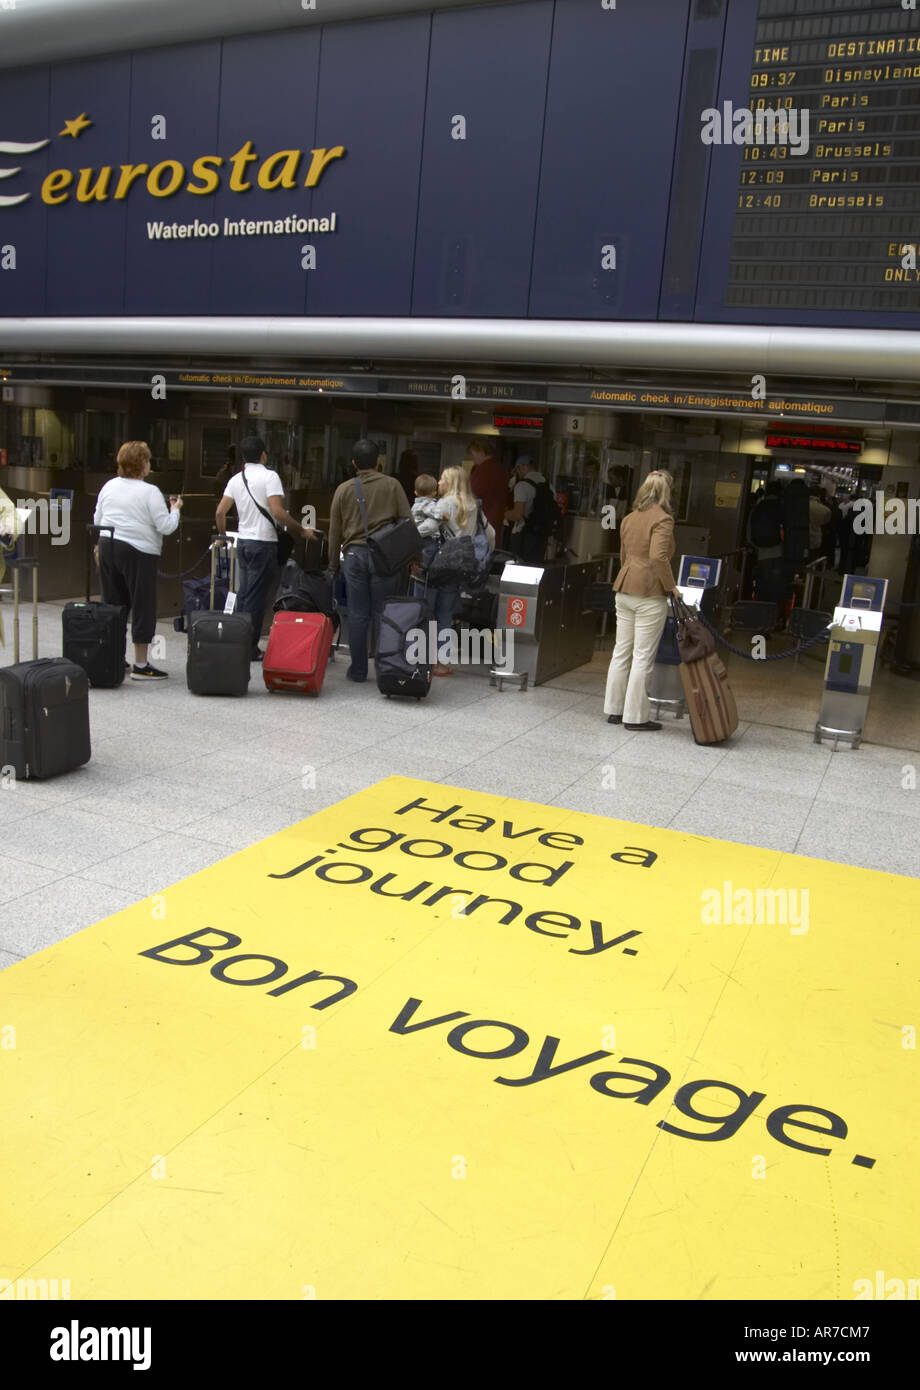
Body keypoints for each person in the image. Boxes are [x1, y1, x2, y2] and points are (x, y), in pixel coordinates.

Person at [214, 435, 310, 662]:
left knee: (246, 594)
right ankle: (249, 647)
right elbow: (277, 511)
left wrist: (221, 535)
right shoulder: (270, 476)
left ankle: (239, 641)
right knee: (256, 599)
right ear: (263, 454)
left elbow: (220, 512)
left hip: (244, 543)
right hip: (263, 543)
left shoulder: (237, 479)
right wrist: (299, 530)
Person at [93, 440, 182, 680]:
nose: (150, 464)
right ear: (141, 463)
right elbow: (165, 526)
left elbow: (98, 517)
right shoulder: (149, 491)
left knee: (113, 603)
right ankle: (141, 665)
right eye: (148, 459)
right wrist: (176, 509)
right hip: (138, 551)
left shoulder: (109, 486)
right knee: (142, 604)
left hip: (107, 545)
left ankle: (114, 658)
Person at [328, 437, 411, 682]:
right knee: (381, 613)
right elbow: (407, 522)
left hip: (353, 555)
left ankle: (358, 670)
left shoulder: (343, 489)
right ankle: (385, 668)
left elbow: (335, 530)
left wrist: (333, 564)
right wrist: (411, 556)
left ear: (354, 463)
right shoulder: (392, 485)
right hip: (384, 557)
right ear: (378, 462)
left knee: (357, 614)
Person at [603, 469, 679, 732]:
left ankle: (613, 709)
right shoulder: (664, 519)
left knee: (621, 651)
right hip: (649, 592)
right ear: (666, 492)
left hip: (624, 587)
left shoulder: (629, 518)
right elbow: (659, 557)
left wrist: (632, 574)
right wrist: (672, 587)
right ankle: (635, 716)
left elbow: (624, 555)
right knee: (643, 656)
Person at [423, 466, 481, 677]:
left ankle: (424, 660)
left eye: (442, 479)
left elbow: (430, 528)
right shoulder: (473, 505)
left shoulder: (445, 503)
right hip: (458, 564)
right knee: (445, 614)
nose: (438, 483)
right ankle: (443, 662)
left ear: (451, 483)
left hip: (439, 562)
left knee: (427, 611)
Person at [504, 456, 550, 565]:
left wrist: (503, 514)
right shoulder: (548, 484)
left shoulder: (522, 485)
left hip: (523, 535)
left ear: (524, 467)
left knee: (519, 568)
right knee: (535, 567)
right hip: (541, 535)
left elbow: (517, 514)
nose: (518, 474)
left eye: (518, 470)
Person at [468, 438, 508, 539]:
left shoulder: (483, 470)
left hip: (482, 520)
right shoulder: (500, 468)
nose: (473, 459)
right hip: (496, 518)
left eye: (473, 455)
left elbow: (473, 493)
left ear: (481, 452)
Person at [808, 487, 831, 561]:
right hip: (816, 539)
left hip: (800, 538)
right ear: (819, 495)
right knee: (812, 562)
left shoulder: (799, 505)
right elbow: (825, 522)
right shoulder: (825, 510)